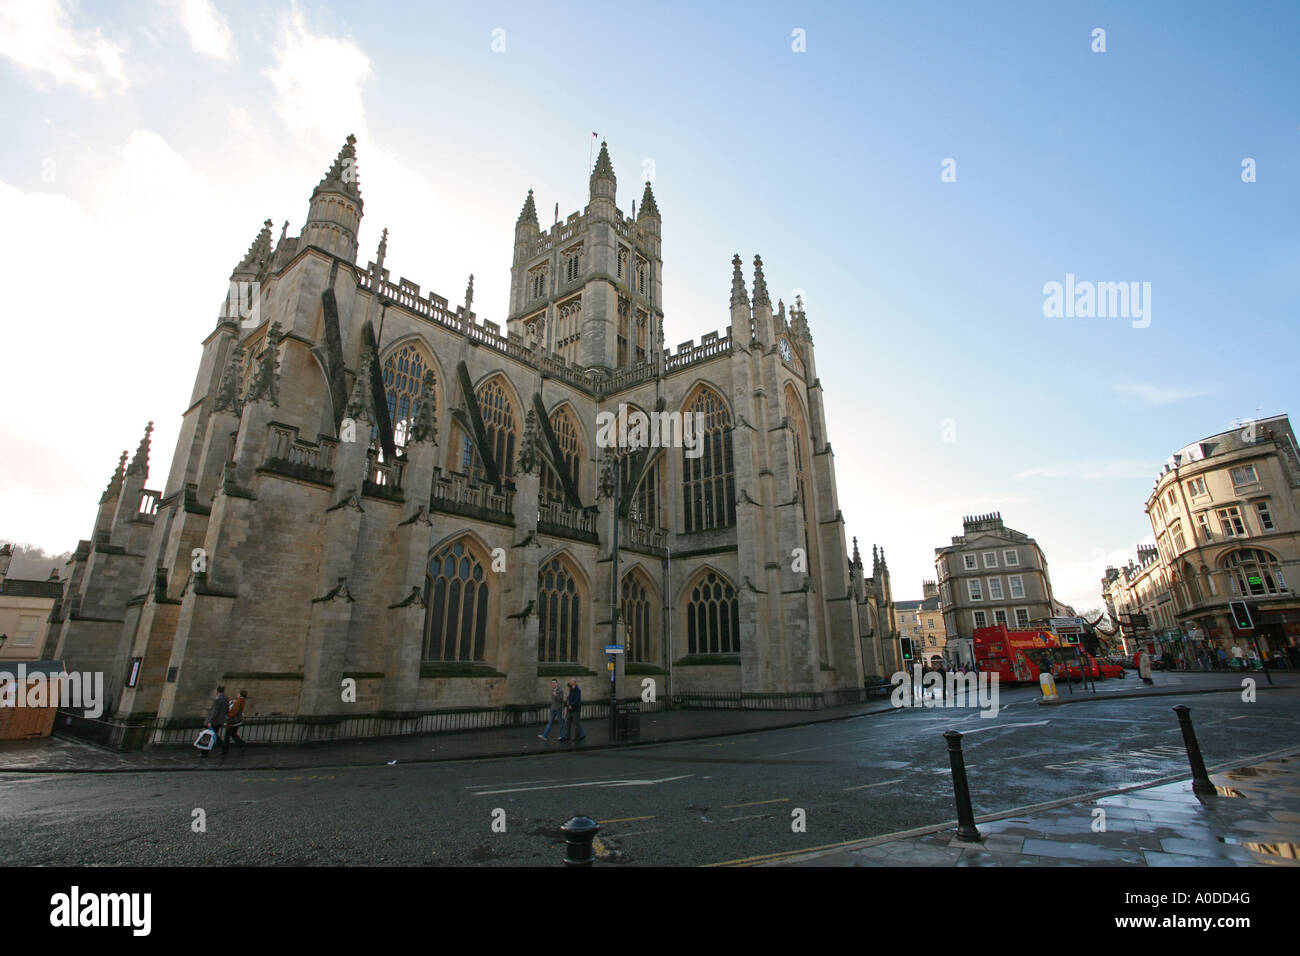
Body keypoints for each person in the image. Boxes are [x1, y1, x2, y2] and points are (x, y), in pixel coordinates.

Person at [202, 685, 231, 757]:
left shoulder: (217, 699)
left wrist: (209, 722)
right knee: (214, 735)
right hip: (220, 720)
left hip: (214, 721)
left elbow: (214, 712)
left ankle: (204, 752)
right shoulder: (226, 699)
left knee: (209, 736)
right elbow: (227, 710)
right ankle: (223, 748)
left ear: (217, 691)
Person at [558, 678, 585, 743]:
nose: (569, 682)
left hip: (575, 710)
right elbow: (570, 699)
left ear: (574, 682)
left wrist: (572, 705)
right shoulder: (572, 690)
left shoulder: (577, 690)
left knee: (576, 724)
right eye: (569, 681)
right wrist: (568, 704)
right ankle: (567, 736)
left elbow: (577, 700)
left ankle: (576, 737)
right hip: (570, 710)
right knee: (567, 723)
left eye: (570, 681)